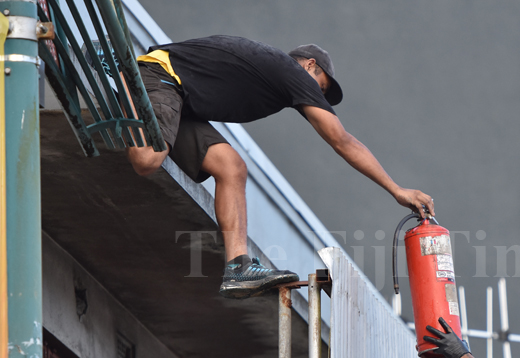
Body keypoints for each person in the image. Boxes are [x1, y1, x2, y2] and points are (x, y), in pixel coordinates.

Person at [126, 35, 434, 298]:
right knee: (146, 159)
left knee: (232, 167)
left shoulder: (273, 78)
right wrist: (396, 189)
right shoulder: (291, 73)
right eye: (321, 87)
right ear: (310, 65)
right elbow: (342, 141)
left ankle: (238, 268)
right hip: (160, 78)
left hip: (183, 102)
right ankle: (121, 81)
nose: (318, 96)